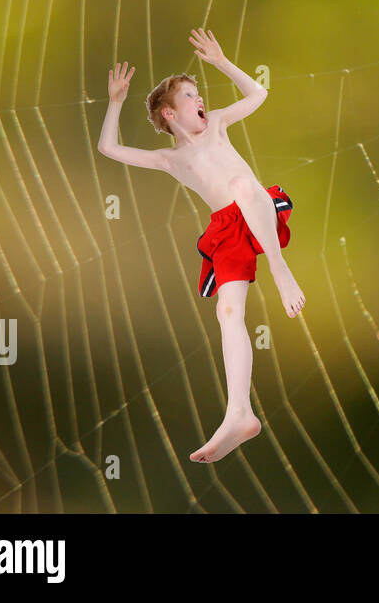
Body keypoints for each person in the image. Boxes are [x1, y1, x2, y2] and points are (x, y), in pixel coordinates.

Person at [97, 28, 305, 463]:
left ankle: (280, 270)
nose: (199, 101)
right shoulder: (171, 159)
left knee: (242, 186)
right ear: (170, 115)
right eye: (190, 96)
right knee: (227, 312)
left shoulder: (220, 126)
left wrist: (222, 62)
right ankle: (238, 413)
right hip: (228, 232)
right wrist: (115, 102)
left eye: (198, 93)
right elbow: (108, 147)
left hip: (258, 212)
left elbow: (258, 93)